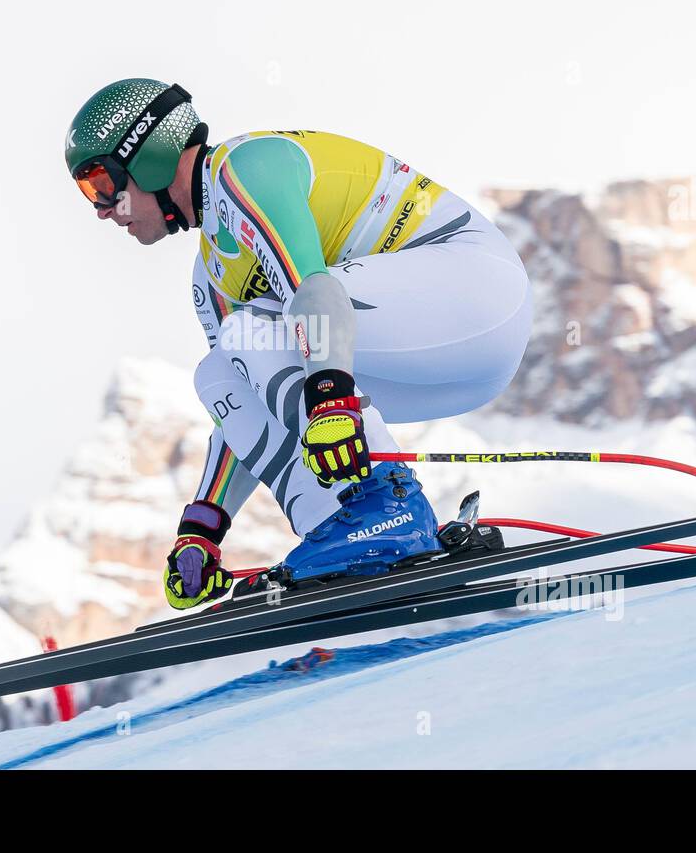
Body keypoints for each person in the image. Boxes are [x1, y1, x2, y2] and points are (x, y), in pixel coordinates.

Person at [65, 79, 532, 609]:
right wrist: (203, 526)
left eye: (100, 183)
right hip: (426, 353)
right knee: (218, 371)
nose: (102, 209)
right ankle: (347, 530)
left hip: (475, 292)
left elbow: (315, 291)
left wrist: (331, 399)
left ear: (147, 157)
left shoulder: (244, 170)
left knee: (255, 326)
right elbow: (247, 395)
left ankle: (390, 506)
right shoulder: (210, 277)